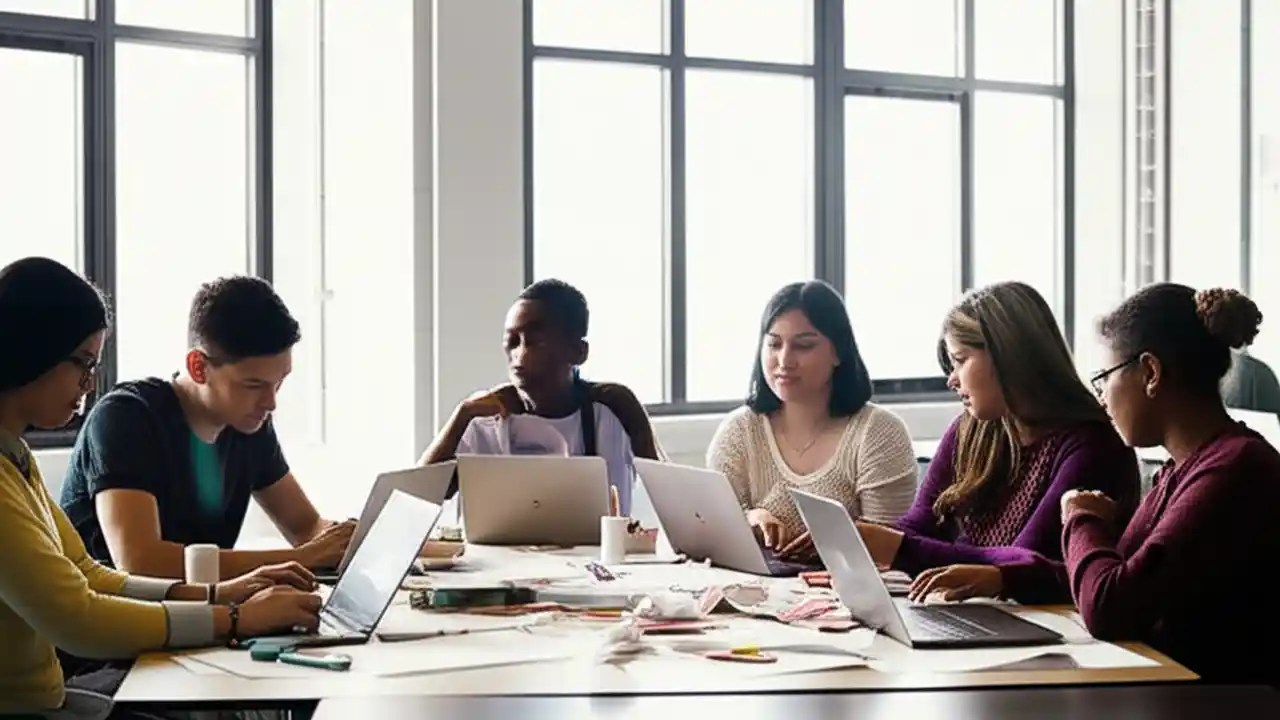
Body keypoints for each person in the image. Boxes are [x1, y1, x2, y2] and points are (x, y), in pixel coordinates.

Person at [0, 257, 320, 716]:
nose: (89, 384)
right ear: (34, 350)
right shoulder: (125, 417)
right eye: (83, 364)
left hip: (52, 698)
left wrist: (222, 595)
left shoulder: (16, 457)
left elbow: (89, 574)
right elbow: (76, 618)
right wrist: (232, 618)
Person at [859, 282, 1140, 604]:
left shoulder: (1091, 445)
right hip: (988, 614)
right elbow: (922, 524)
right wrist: (862, 541)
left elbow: (1023, 561)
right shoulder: (972, 429)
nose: (952, 379)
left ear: (1007, 357)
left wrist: (897, 548)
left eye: (961, 360)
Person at [59, 276, 355, 580]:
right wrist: (302, 558)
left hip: (197, 614)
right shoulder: (126, 417)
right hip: (115, 619)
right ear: (198, 367)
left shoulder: (248, 425)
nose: (270, 403)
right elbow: (140, 560)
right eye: (253, 385)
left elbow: (307, 529)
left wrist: (350, 540)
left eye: (279, 382)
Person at [706, 281, 918, 561]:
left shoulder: (878, 433)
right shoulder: (738, 432)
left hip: (847, 597)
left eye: (803, 346)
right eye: (773, 344)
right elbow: (709, 535)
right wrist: (750, 517)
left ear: (838, 352)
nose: (784, 360)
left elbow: (890, 553)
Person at [419, 279, 663, 516]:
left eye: (536, 341)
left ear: (578, 352)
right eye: (512, 342)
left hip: (595, 558)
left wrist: (637, 424)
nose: (520, 354)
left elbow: (670, 499)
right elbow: (417, 501)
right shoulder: (482, 418)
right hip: (494, 558)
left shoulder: (613, 410)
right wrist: (462, 415)